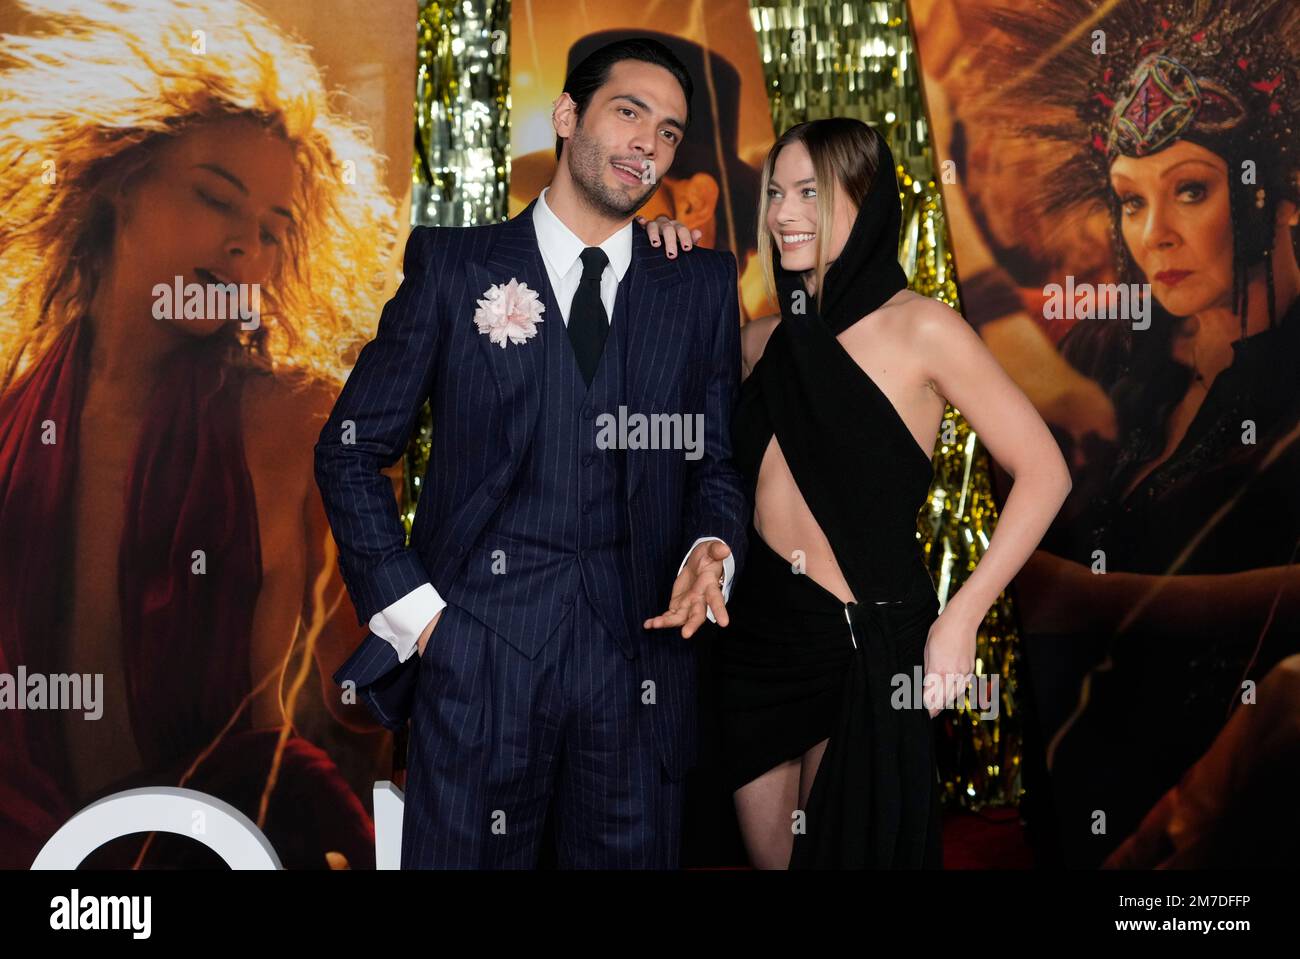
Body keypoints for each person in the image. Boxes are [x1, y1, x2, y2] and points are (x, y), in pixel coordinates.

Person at [315, 37, 749, 869]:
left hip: (639, 667)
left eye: (667, 133)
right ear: (566, 116)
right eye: (628, 113)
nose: (647, 146)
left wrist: (711, 550)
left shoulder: (697, 285)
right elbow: (348, 449)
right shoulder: (455, 267)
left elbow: (715, 461)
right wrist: (425, 621)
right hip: (477, 661)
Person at [0, 0, 396, 869]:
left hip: (227, 848)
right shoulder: (13, 412)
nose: (245, 249)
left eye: (271, 231)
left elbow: (371, 677)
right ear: (115, 182)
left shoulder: (294, 418)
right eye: (217, 199)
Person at [956, 0, 1300, 868]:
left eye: (1190, 189)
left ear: (1274, 193)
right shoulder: (1110, 351)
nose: (1155, 237)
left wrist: (1090, 599)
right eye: (1130, 201)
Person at [712, 118, 1071, 868]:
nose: (783, 213)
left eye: (810, 191)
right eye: (776, 192)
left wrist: (962, 618)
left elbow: (1045, 471)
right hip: (757, 648)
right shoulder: (759, 342)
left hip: (866, 646)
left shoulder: (924, 330)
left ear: (866, 198)